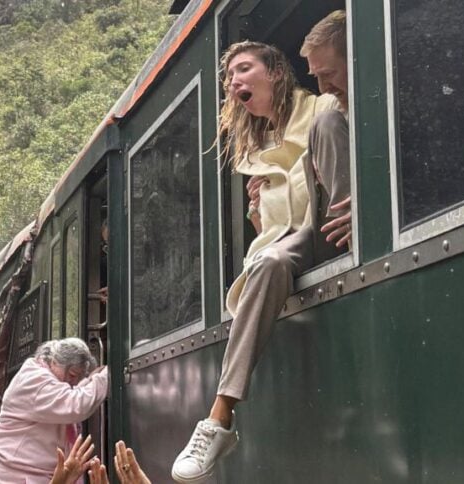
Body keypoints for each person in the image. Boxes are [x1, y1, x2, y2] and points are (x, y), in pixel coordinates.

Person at [171, 11, 352, 483]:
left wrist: (361, 206)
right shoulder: (254, 153)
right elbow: (274, 233)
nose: (234, 81)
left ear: (274, 72)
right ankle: (219, 420)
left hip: (336, 230)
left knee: (325, 127)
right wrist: (257, 212)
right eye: (229, 76)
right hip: (294, 246)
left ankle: (218, 415)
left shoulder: (321, 109)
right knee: (268, 261)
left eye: (243, 69)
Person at [0, 338, 108, 484]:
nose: (74, 382)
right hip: (12, 474)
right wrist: (107, 375)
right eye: (72, 375)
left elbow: (68, 394)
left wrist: (91, 381)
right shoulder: (35, 381)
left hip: (21, 470)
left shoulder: (40, 374)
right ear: (54, 362)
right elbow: (75, 404)